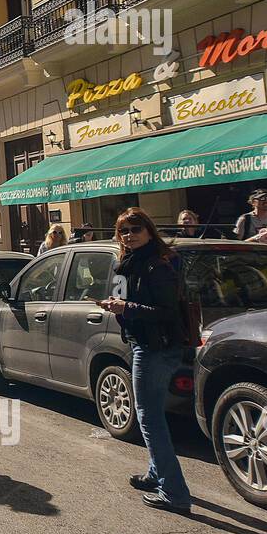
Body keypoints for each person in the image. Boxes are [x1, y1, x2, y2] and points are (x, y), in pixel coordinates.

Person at [97, 208, 192, 515]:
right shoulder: (129, 263)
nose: (129, 235)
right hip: (146, 344)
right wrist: (118, 305)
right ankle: (156, 473)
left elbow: (166, 311)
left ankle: (174, 492)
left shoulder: (156, 265)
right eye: (124, 230)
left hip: (157, 348)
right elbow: (129, 299)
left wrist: (128, 307)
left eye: (135, 229)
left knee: (148, 418)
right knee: (151, 415)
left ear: (149, 230)